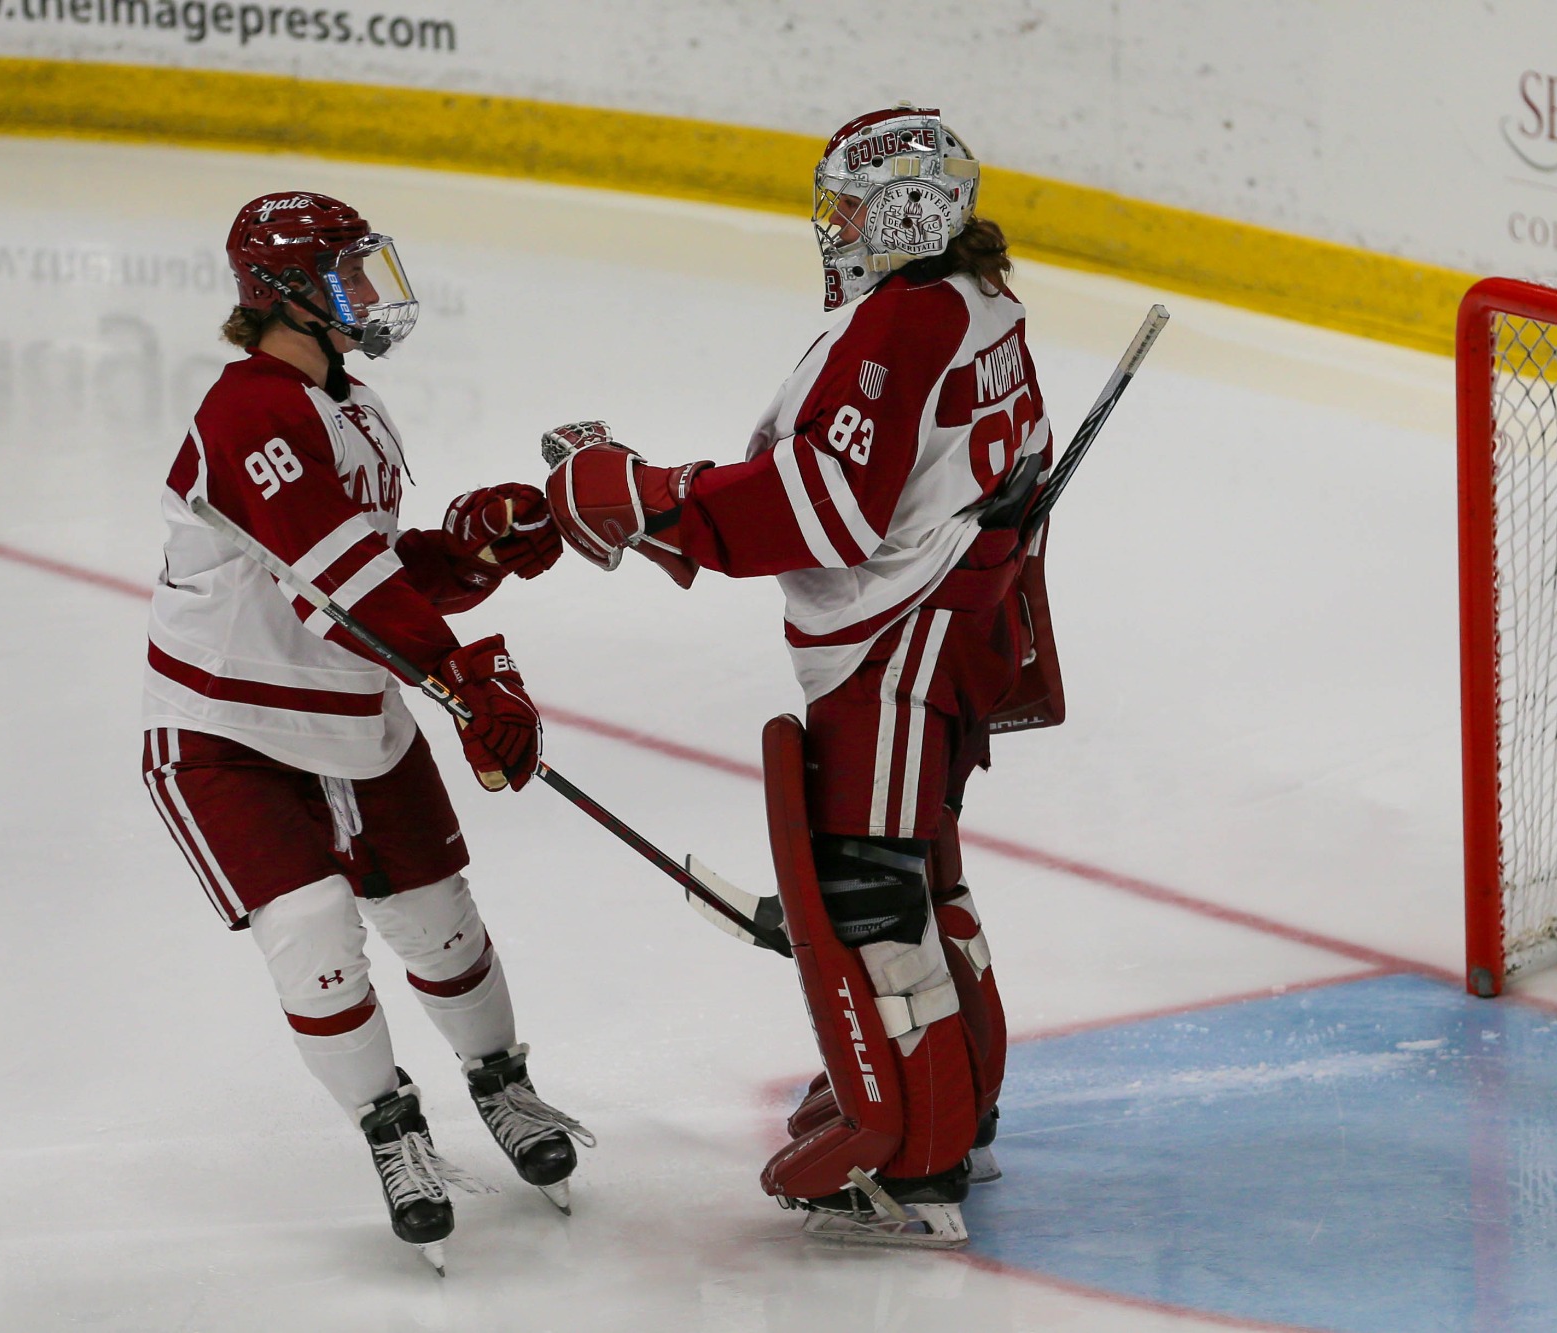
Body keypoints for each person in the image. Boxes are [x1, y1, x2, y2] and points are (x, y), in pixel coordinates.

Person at [543, 106, 1046, 1245]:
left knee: (868, 883)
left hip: (899, 643)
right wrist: (669, 514)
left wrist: (650, 491)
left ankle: (917, 1160)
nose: (827, 225)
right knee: (918, 868)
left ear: (904, 210)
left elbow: (827, 503)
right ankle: (956, 1096)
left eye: (845, 204)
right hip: (954, 621)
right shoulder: (976, 301)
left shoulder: (900, 328)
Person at [142, 191, 591, 1275]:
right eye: (346, 278)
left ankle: (501, 1083)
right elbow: (332, 582)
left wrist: (476, 552)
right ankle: (391, 1131)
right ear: (285, 297)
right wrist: (457, 668)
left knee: (440, 924)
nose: (370, 296)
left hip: (356, 718)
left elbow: (375, 564)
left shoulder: (354, 403)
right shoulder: (249, 410)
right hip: (227, 732)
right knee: (312, 942)